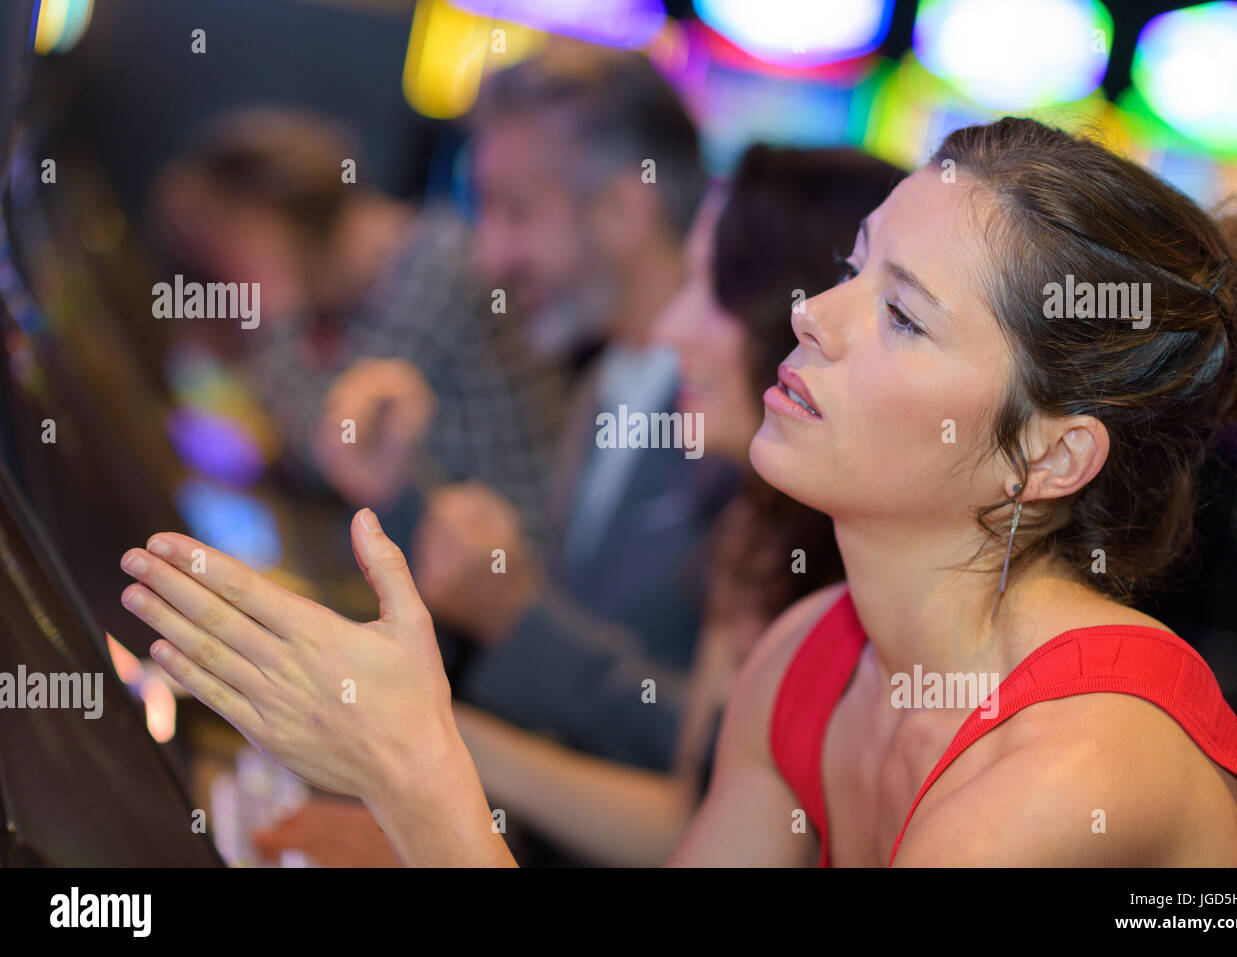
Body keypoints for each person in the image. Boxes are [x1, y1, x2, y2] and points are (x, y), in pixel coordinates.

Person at [119, 117, 1237, 867]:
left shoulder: (1073, 771)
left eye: (898, 314)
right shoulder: (807, 651)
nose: (806, 316)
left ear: (1047, 459)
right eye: (850, 270)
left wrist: (418, 771)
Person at [253, 145, 900, 867]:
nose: (670, 329)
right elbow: (689, 811)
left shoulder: (845, 583)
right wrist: (427, 745)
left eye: (711, 289)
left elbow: (666, 784)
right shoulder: (751, 520)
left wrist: (435, 754)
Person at [409, 41, 727, 774]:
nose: (490, 257)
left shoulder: (747, 425)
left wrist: (520, 621)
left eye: (515, 211)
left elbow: (724, 753)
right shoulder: (601, 383)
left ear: (622, 209)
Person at [151, 108, 565, 550]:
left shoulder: (435, 267)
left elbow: (331, 451)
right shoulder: (372, 286)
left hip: (512, 570)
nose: (233, 287)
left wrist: (277, 302)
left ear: (267, 229)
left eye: (232, 260)